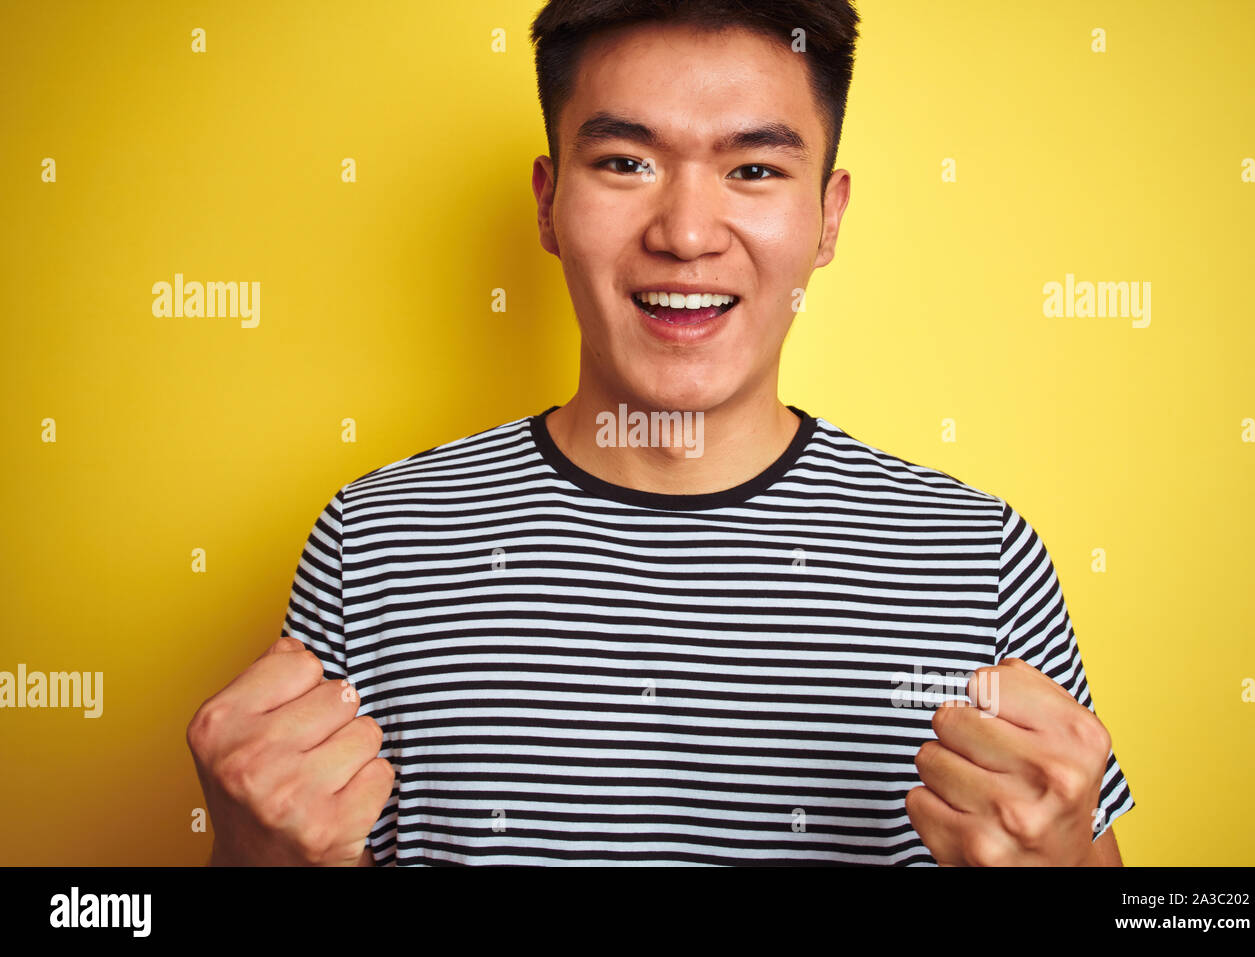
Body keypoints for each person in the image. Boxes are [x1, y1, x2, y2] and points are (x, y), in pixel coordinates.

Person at [187, 0, 1134, 866]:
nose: (685, 233)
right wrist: (247, 859)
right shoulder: (377, 542)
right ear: (550, 202)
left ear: (828, 217)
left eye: (754, 168)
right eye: (626, 162)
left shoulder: (975, 556)